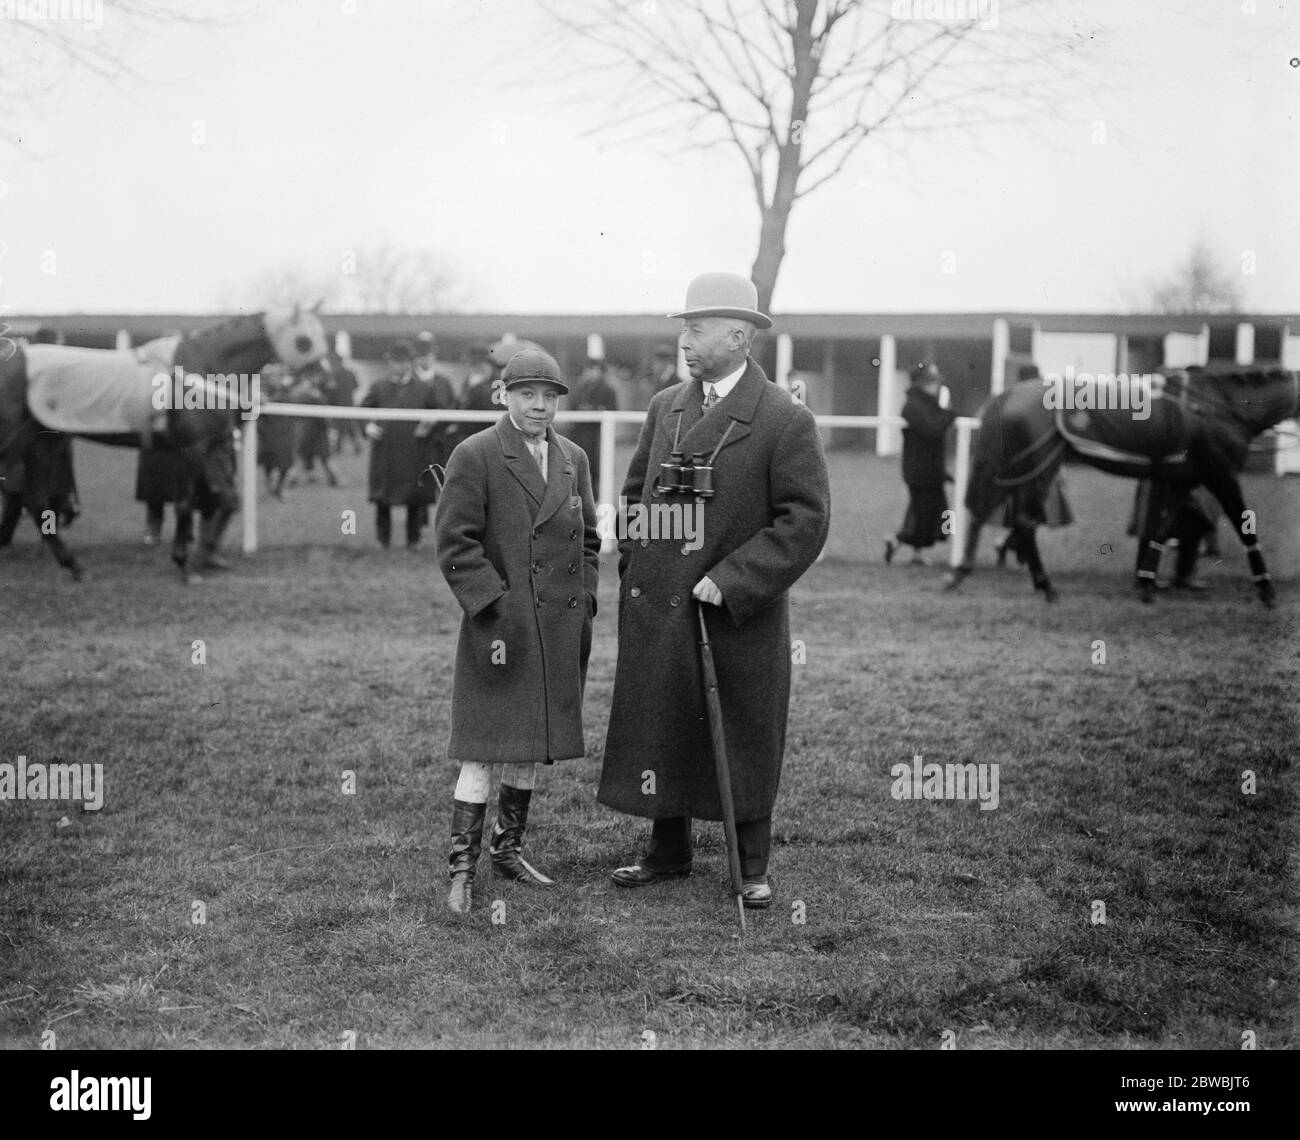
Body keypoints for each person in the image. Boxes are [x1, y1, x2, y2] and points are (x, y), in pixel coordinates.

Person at [598, 272, 831, 910]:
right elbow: (637, 492)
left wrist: (730, 581)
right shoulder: (664, 406)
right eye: (684, 328)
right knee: (663, 718)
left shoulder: (785, 418)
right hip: (660, 597)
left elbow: (804, 523)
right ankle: (665, 852)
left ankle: (750, 865)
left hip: (732, 611)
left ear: (740, 335)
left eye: (698, 330)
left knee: (743, 727)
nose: (686, 341)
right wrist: (637, 563)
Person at [434, 348, 599, 914]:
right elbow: (456, 543)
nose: (539, 406)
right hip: (500, 629)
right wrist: (495, 607)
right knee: (482, 750)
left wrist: (588, 598)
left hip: (557, 627)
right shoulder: (475, 453)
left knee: (531, 745)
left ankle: (509, 851)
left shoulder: (574, 456)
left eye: (549, 396)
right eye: (527, 394)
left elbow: (591, 539)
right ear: (504, 395)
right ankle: (462, 871)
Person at [361, 340, 442, 549]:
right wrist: (368, 426)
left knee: (414, 495)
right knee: (382, 497)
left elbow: (440, 413)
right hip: (385, 451)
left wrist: (429, 425)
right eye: (395, 362)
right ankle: (382, 539)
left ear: (410, 363)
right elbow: (362, 411)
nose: (399, 366)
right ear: (390, 363)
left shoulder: (424, 389)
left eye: (404, 361)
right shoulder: (379, 387)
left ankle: (413, 540)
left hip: (413, 450)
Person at [992, 365, 1074, 567]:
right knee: (1027, 515)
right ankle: (1013, 547)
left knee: (1031, 516)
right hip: (1025, 472)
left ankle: (1012, 547)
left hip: (1035, 470)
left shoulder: (1030, 403)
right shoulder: (1018, 404)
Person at [885, 362, 956, 566]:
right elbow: (932, 431)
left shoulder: (926, 405)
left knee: (924, 512)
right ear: (922, 383)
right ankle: (897, 541)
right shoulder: (913, 406)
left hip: (930, 470)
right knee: (925, 514)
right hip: (920, 471)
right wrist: (950, 414)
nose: (937, 386)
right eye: (932, 381)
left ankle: (913, 552)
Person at [564, 357, 618, 478]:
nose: (591, 372)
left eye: (595, 369)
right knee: (578, 463)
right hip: (579, 432)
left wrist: (595, 409)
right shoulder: (580, 387)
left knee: (596, 465)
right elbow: (572, 407)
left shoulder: (608, 389)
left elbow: (613, 409)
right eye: (589, 368)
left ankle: (597, 492)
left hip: (596, 433)